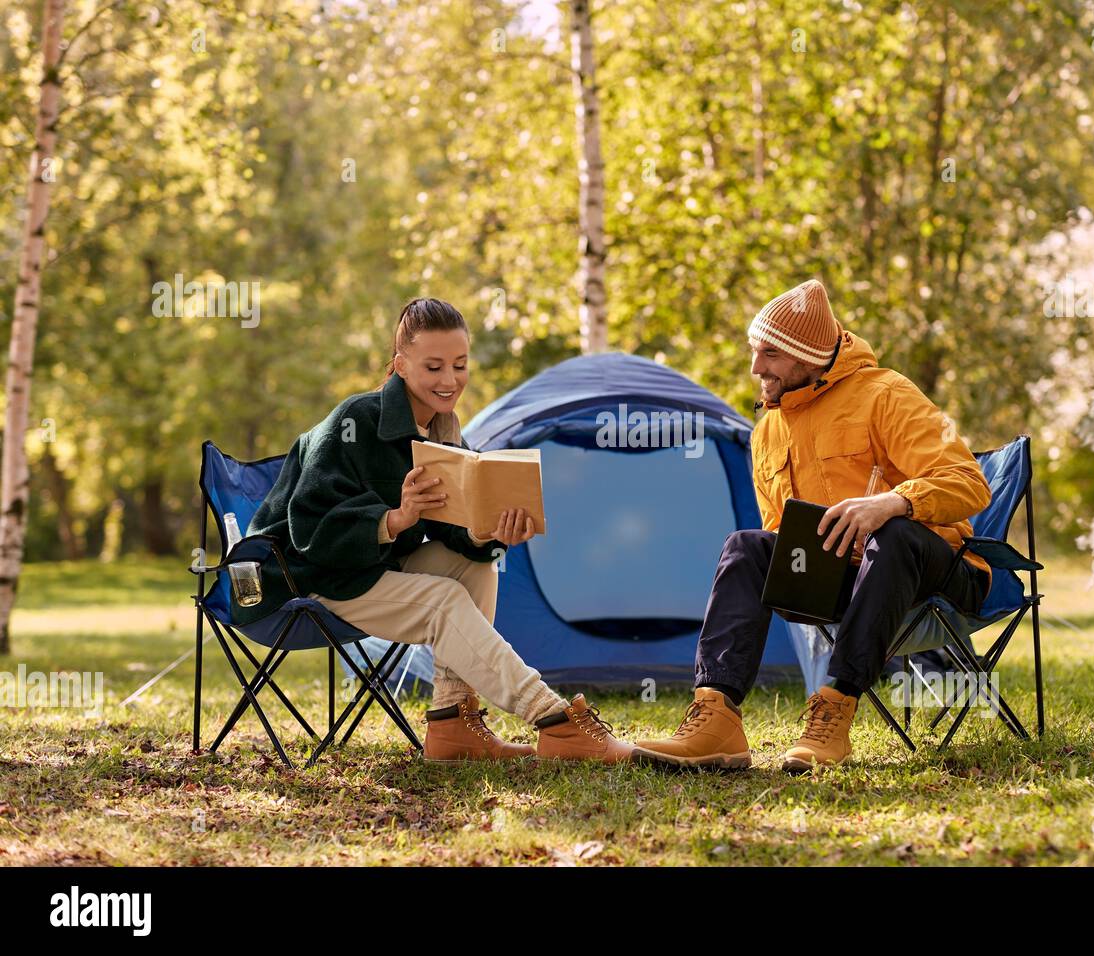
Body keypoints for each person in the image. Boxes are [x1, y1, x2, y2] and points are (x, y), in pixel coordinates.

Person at [239, 297, 633, 764]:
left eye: (460, 365)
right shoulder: (354, 421)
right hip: (304, 576)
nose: (450, 381)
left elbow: (453, 533)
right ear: (401, 365)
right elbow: (310, 531)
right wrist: (394, 519)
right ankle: (553, 718)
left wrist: (490, 532)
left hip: (370, 570)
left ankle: (452, 725)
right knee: (443, 602)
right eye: (434, 367)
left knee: (475, 564)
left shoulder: (443, 432)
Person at [633, 279, 992, 772]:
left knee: (892, 534)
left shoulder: (886, 394)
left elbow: (969, 483)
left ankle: (833, 715)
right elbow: (783, 534)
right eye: (754, 351)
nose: (756, 367)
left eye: (771, 354)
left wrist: (892, 503)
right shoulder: (767, 432)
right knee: (746, 547)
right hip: (843, 585)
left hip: (941, 573)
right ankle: (716, 718)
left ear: (808, 356)